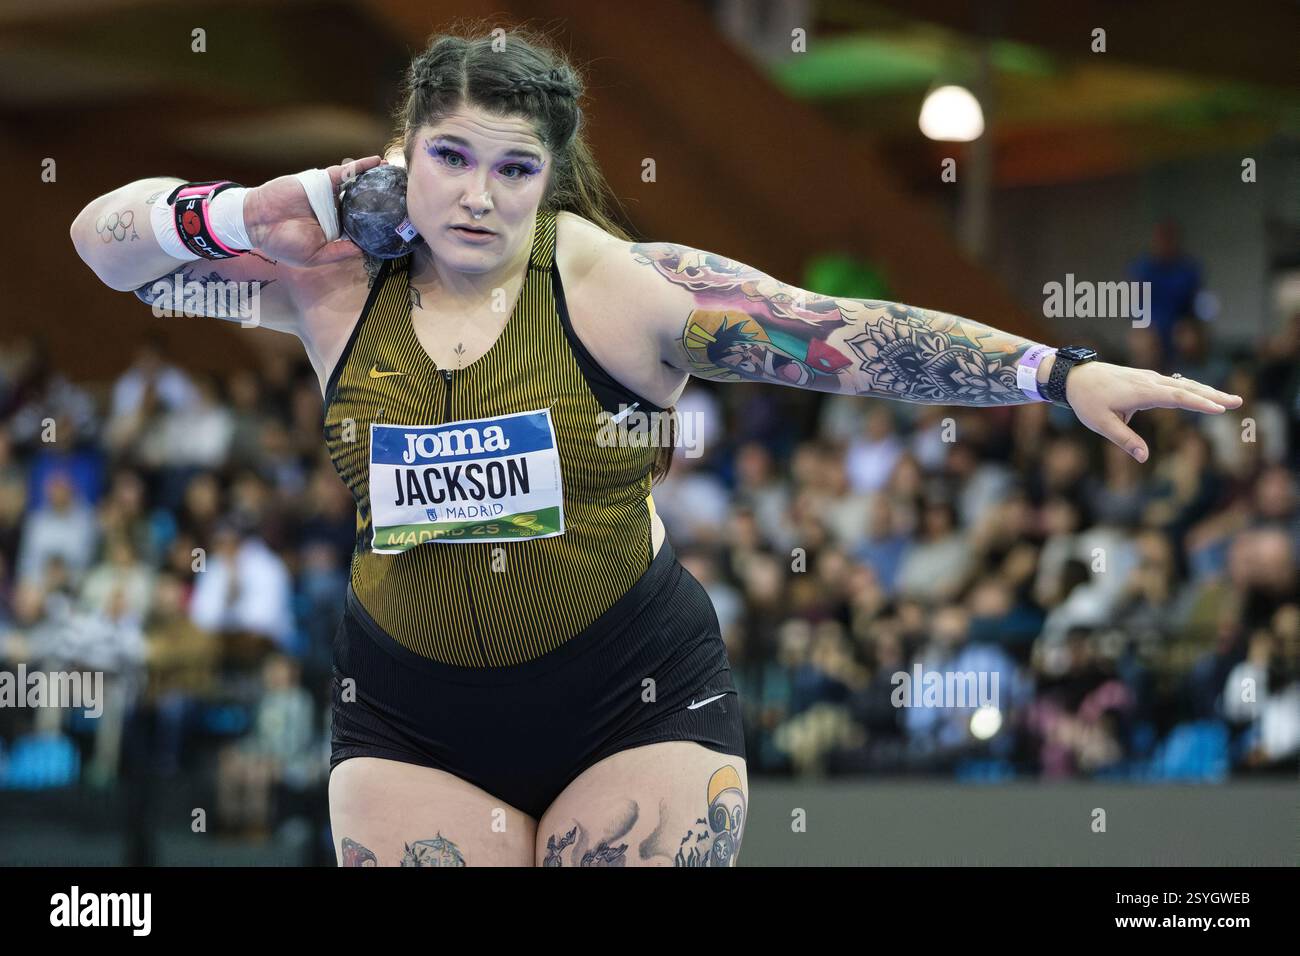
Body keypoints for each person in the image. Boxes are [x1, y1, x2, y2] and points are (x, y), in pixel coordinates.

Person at [69, 25, 1241, 866]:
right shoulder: (322, 283)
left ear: (551, 177)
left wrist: (1060, 370)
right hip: (409, 710)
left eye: (515, 168)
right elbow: (101, 243)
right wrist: (251, 213)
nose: (479, 195)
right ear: (401, 154)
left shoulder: (622, 290)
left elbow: (843, 334)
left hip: (626, 697)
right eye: (453, 157)